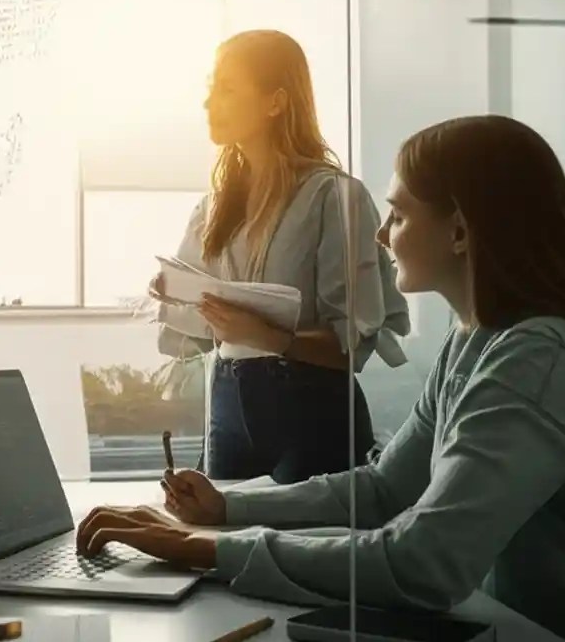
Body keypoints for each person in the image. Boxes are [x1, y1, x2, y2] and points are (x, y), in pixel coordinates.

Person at [80, 115, 565, 642]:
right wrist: (225, 510)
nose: (378, 235)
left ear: (459, 231)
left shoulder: (539, 358)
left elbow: (425, 563)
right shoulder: (474, 340)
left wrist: (200, 549)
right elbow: (385, 492)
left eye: (396, 215)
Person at [153, 29, 408, 483]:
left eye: (227, 88)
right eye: (209, 89)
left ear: (276, 102)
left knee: (310, 547)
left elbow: (353, 346)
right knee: (219, 546)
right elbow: (193, 337)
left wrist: (270, 336)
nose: (210, 102)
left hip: (312, 413)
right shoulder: (211, 208)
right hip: (227, 405)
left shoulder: (336, 198)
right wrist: (175, 296)